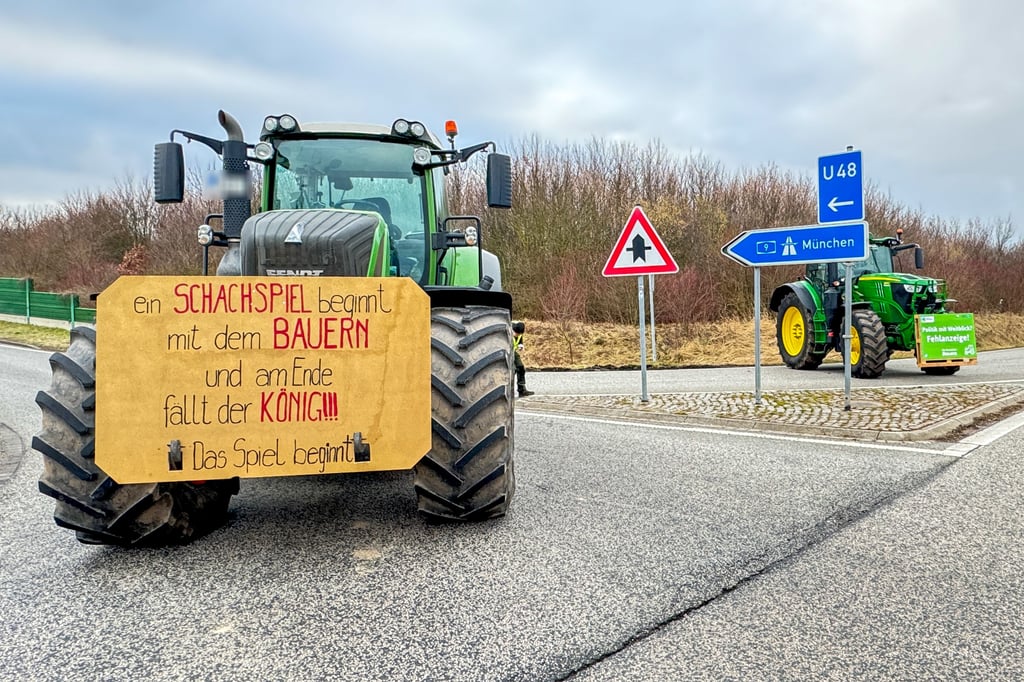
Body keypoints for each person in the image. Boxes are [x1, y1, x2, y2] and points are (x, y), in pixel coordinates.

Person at [512, 321, 534, 397]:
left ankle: (522, 390)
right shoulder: (507, 331)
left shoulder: (520, 333)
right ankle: (509, 390)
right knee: (512, 370)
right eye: (516, 333)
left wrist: (521, 345)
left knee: (520, 367)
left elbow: (520, 340)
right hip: (507, 352)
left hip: (513, 352)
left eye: (519, 334)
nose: (518, 335)